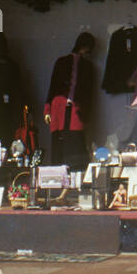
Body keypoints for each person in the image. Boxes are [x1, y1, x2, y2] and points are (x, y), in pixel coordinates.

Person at [43, 31, 96, 170]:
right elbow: (53, 86)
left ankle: (76, 179)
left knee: (76, 143)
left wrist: (86, 114)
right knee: (58, 141)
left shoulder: (88, 66)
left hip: (76, 111)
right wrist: (47, 109)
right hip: (59, 108)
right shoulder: (61, 62)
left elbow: (88, 92)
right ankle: (56, 180)